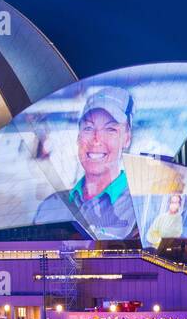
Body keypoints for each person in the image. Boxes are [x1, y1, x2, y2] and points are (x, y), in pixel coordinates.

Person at [34, 86, 137, 240]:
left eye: (110, 129)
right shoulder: (49, 207)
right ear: (78, 136)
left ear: (127, 138)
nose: (96, 139)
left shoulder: (141, 210)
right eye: (88, 128)